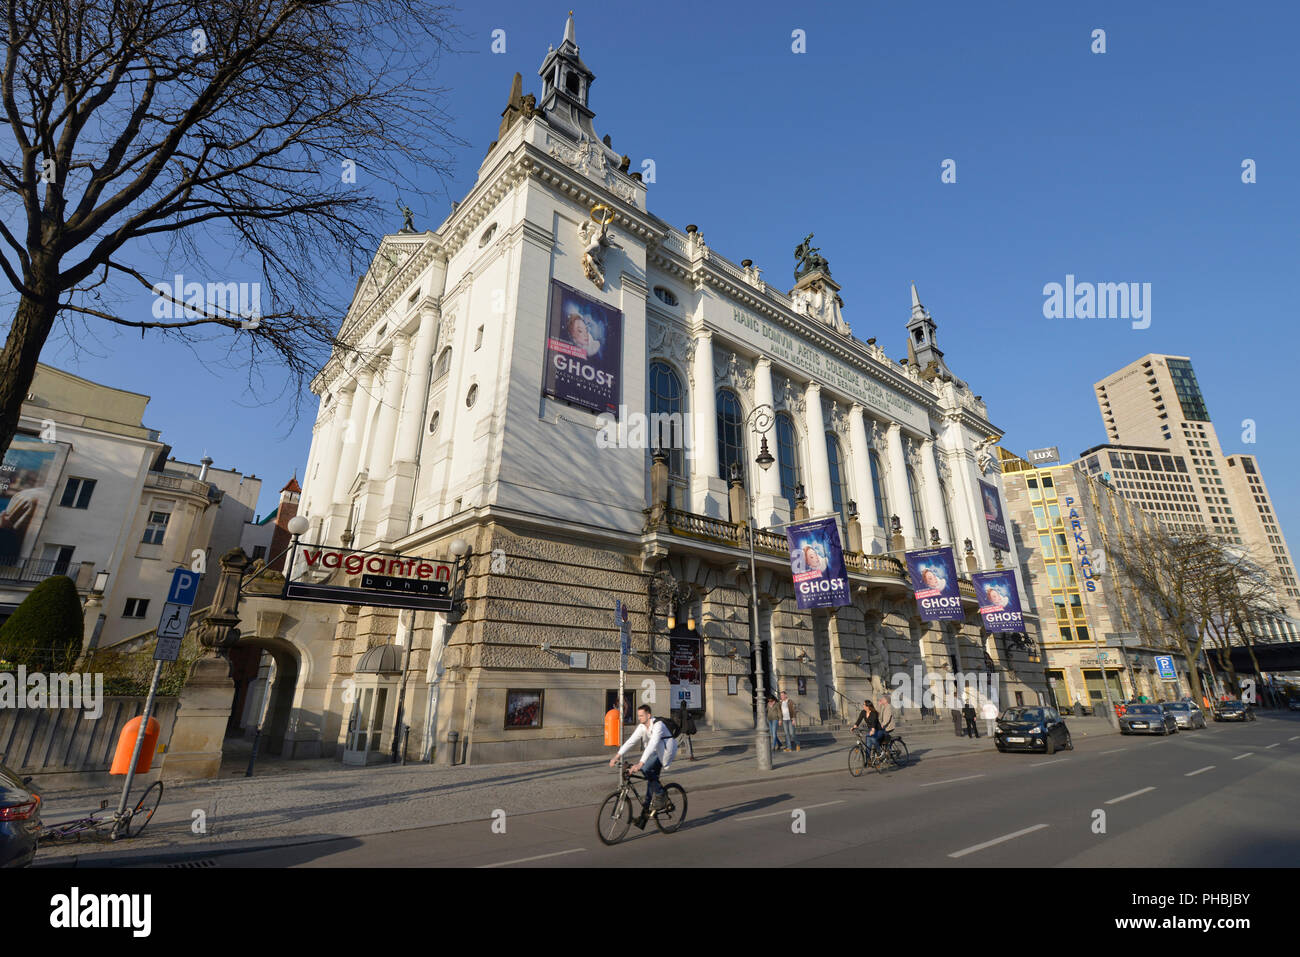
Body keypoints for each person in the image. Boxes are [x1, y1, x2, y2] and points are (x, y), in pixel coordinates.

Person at [608, 705, 678, 829]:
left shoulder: (658, 725)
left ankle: (661, 795)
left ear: (648, 715)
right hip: (656, 751)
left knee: (645, 769)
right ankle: (643, 819)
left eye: (641, 715)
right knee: (650, 783)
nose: (639, 718)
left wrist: (640, 763)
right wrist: (617, 756)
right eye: (638, 715)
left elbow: (653, 744)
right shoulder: (641, 727)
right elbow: (630, 741)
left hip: (666, 751)